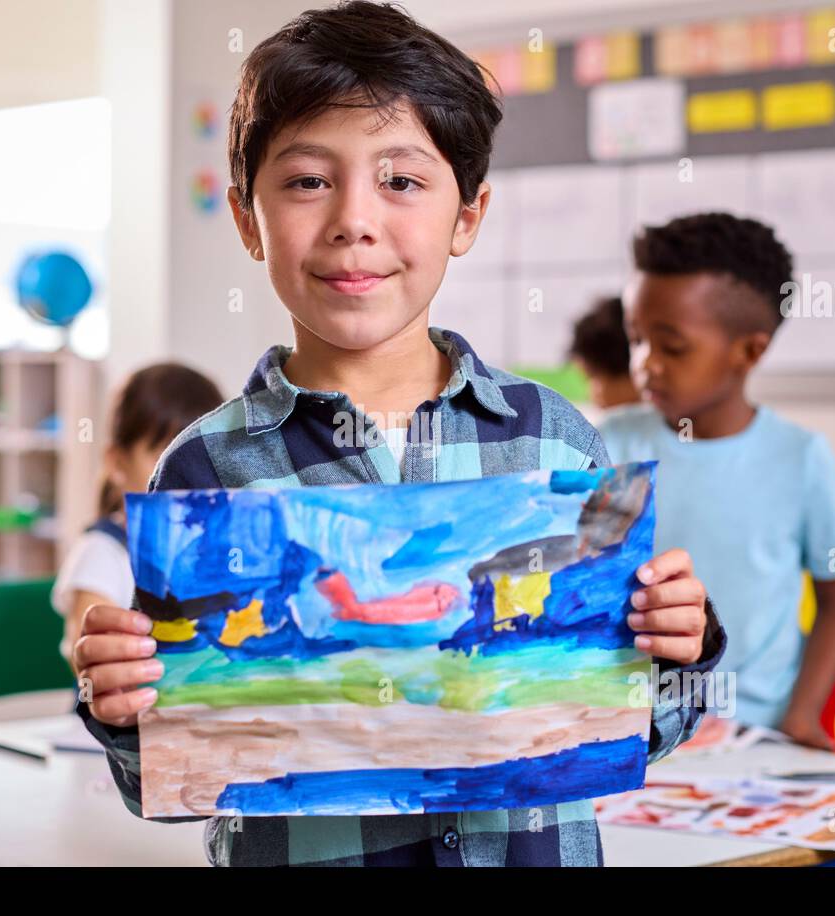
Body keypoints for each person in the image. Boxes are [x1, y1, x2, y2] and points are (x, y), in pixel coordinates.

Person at [73, 0, 726, 867]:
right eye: (307, 180)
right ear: (245, 217)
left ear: (467, 215)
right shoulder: (202, 471)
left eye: (403, 181)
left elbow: (633, 730)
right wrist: (124, 711)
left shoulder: (556, 442)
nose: (354, 220)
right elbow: (174, 780)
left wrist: (683, 645)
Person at [599, 211, 835, 744]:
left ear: (749, 352)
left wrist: (803, 713)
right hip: (637, 725)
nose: (646, 364)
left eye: (672, 347)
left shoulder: (799, 457)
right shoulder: (609, 442)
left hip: (753, 731)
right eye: (637, 339)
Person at [51, 362, 222, 672]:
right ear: (117, 462)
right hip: (121, 714)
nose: (186, 473)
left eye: (202, 456)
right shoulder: (103, 552)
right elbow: (92, 666)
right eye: (163, 455)